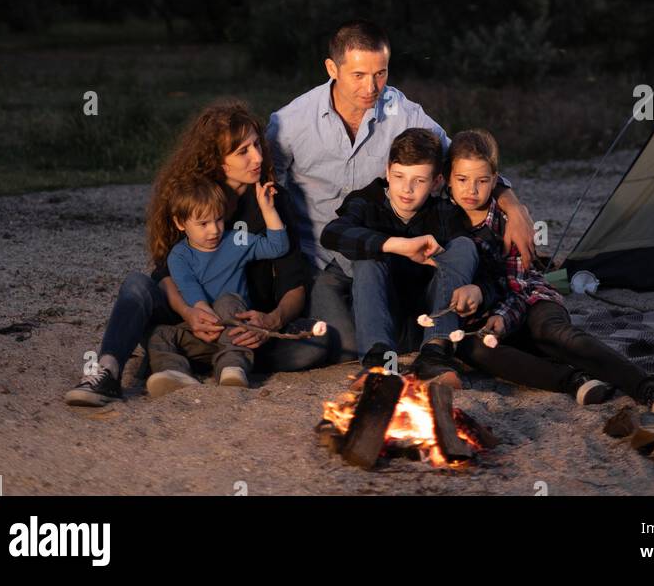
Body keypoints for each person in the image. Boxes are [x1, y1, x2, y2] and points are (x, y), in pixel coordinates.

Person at [267, 19, 537, 361]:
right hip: (324, 264)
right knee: (346, 348)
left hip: (391, 260)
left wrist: (514, 208)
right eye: (359, 75)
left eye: (381, 73)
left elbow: (464, 164)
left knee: (398, 317)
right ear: (332, 68)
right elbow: (262, 186)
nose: (372, 87)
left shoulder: (404, 113)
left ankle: (428, 341)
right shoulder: (290, 122)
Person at [65, 100, 329, 408]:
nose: (257, 157)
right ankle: (106, 372)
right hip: (186, 321)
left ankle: (218, 359)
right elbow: (166, 275)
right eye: (243, 151)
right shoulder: (191, 197)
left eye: (257, 145)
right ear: (218, 160)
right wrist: (191, 314)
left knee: (316, 345)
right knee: (137, 286)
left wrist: (271, 320)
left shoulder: (270, 199)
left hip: (242, 325)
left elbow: (292, 280)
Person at [446, 129, 654, 416]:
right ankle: (574, 380)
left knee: (554, 334)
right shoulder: (442, 218)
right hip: (487, 314)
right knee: (471, 348)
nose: (471, 190)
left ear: (496, 181)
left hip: (527, 298)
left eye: (482, 181)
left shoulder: (509, 220)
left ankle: (646, 386)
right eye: (462, 179)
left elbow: (520, 283)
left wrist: (503, 316)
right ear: (447, 179)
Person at [320, 129, 497, 382]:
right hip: (379, 321)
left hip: (429, 321)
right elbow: (332, 234)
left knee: (465, 246)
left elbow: (491, 272)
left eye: (419, 181)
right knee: (370, 255)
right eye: (399, 176)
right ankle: (380, 362)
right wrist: (397, 245)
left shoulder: (444, 213)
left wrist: (479, 290)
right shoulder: (367, 201)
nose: (407, 188)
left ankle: (435, 354)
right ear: (387, 171)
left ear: (436, 182)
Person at [145, 174, 288, 395]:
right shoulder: (180, 255)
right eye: (203, 223)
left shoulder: (235, 241)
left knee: (228, 299)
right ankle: (174, 372)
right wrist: (202, 316)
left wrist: (268, 210)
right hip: (203, 330)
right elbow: (190, 288)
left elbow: (277, 247)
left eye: (218, 219)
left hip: (237, 332)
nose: (214, 230)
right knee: (160, 333)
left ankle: (232, 368)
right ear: (180, 223)